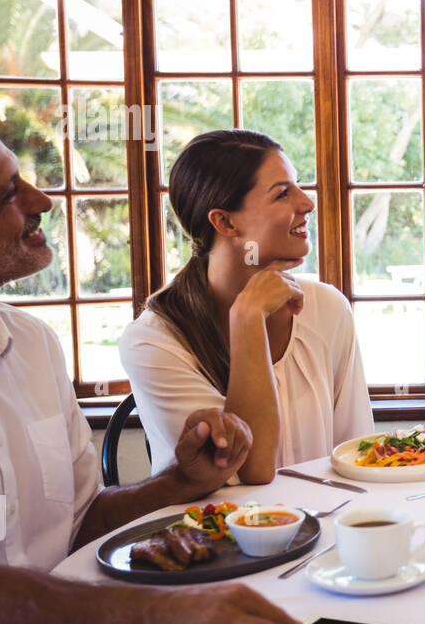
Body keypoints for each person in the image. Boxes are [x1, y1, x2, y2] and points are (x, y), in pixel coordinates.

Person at [0, 101, 320, 624]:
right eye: (4, 195)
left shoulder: (31, 345)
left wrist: (182, 482)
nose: (41, 202)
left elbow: (79, 523)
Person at [120, 130, 372, 484]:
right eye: (283, 193)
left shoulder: (328, 309)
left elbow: (356, 456)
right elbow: (249, 474)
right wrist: (248, 317)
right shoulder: (152, 342)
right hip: (213, 535)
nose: (307, 203)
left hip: (327, 529)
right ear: (224, 222)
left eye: (297, 186)